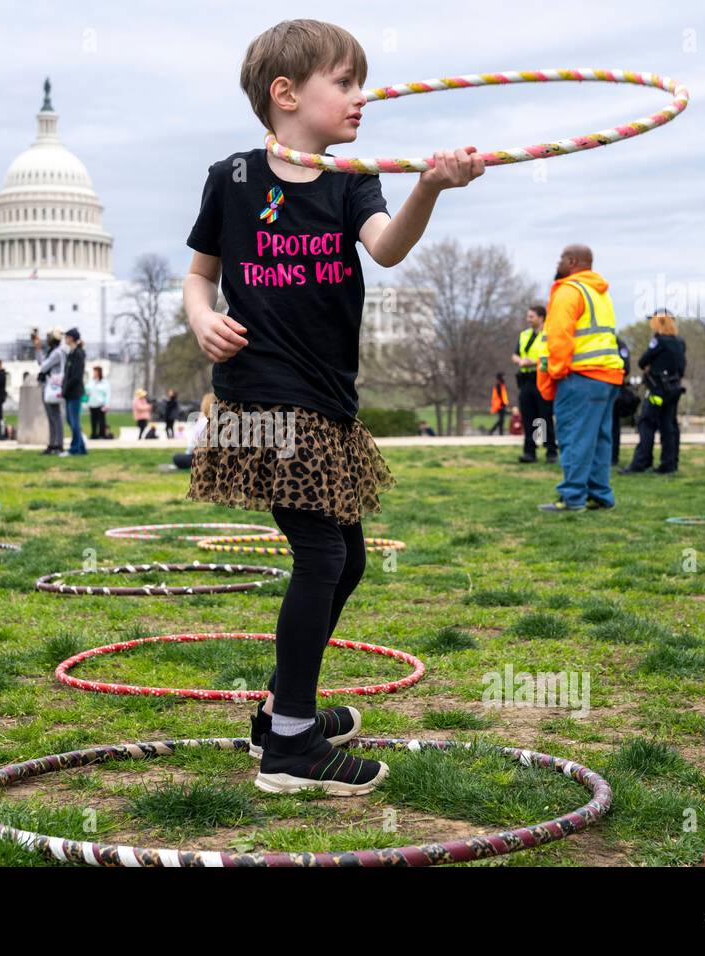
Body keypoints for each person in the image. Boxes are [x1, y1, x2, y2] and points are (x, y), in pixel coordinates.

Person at [184, 18, 484, 795]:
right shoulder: (234, 178)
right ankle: (290, 745)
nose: (362, 97)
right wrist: (201, 317)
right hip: (260, 401)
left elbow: (386, 248)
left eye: (361, 82)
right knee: (320, 555)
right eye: (345, 83)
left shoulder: (353, 182)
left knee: (344, 556)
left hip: (328, 405)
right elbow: (197, 274)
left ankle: (280, 712)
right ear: (286, 94)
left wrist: (430, 185)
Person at [536, 244, 624, 512]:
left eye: (561, 258)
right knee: (599, 440)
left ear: (572, 261)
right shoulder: (600, 293)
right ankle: (600, 495)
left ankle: (573, 498)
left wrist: (556, 372)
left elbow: (560, 337)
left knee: (574, 437)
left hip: (580, 376)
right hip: (608, 375)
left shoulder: (569, 291)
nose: (558, 262)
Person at [623, 310, 686, 474]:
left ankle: (641, 463)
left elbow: (643, 361)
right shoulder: (680, 342)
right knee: (668, 426)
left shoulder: (659, 341)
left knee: (646, 422)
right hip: (673, 391)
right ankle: (669, 464)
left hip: (657, 392)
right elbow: (681, 368)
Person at [513, 305, 556, 463]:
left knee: (545, 417)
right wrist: (521, 361)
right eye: (528, 316)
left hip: (542, 379)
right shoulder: (524, 335)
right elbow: (515, 355)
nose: (528, 319)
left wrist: (533, 362)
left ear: (541, 317)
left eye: (531, 316)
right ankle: (529, 452)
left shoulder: (549, 335)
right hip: (526, 381)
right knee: (528, 417)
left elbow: (552, 356)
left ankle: (550, 450)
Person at [31, 327, 67, 454]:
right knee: (51, 416)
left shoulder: (57, 353)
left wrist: (39, 349)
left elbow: (43, 366)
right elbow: (42, 362)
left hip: (52, 387)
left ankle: (58, 444)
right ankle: (53, 443)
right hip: (49, 387)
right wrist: (38, 348)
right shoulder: (53, 352)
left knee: (55, 416)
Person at [59, 327, 87, 456]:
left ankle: (74, 448)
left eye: (67, 337)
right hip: (69, 393)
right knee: (71, 421)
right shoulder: (71, 353)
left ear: (71, 338)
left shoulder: (78, 354)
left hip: (74, 393)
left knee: (74, 421)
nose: (65, 339)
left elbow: (76, 376)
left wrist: (66, 389)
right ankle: (81, 447)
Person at [611, 334, 636, 465]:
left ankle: (613, 457)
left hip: (614, 387)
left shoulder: (618, 344)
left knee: (613, 425)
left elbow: (626, 368)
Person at [174, 393, 214, 469]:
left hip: (199, 456)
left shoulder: (201, 422)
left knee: (176, 457)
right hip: (214, 457)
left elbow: (191, 446)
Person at [87, 365, 112, 439]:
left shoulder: (104, 382)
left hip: (101, 404)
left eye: (95, 372)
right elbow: (87, 390)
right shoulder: (91, 381)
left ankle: (102, 434)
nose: (94, 373)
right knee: (93, 420)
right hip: (92, 403)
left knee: (101, 421)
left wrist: (107, 404)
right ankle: (94, 434)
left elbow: (108, 394)